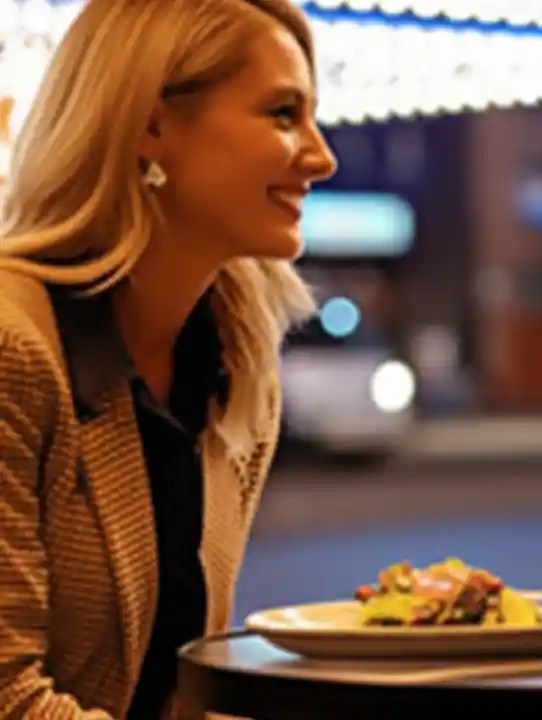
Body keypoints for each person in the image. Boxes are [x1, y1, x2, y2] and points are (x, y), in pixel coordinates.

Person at [0, 0, 337, 717]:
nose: (322, 156)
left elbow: (181, 693)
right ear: (151, 126)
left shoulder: (237, 366)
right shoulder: (12, 351)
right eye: (283, 114)